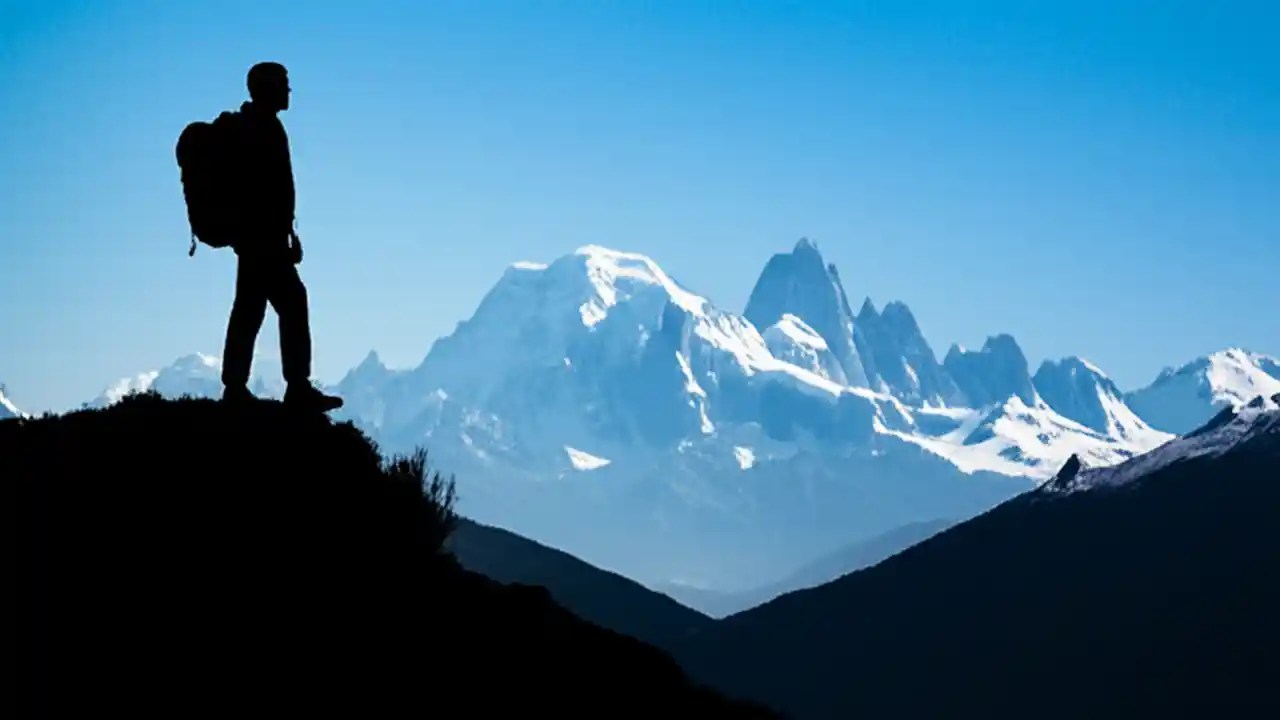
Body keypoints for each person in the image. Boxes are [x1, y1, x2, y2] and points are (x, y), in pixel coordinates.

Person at [220, 61, 342, 411]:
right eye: (283, 85)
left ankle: (236, 387)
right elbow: (266, 190)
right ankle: (295, 387)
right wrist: (277, 235)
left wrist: (285, 233)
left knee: (250, 309)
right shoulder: (262, 128)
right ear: (266, 88)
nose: (289, 92)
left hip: (258, 239)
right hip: (262, 240)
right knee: (289, 302)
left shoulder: (259, 126)